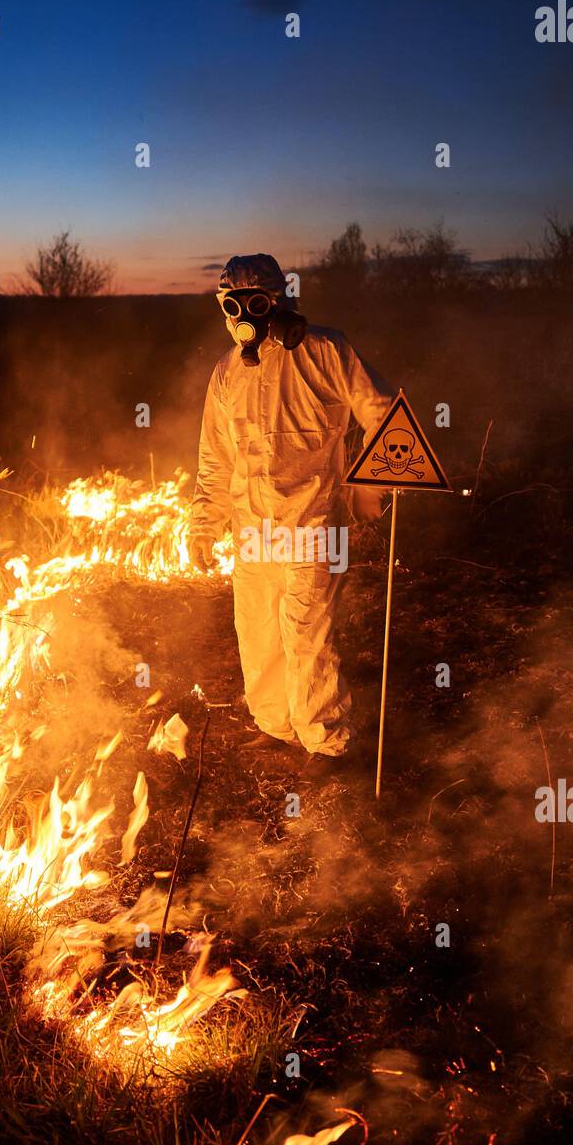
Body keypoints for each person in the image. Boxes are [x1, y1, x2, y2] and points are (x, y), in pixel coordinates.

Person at [189, 253, 394, 773]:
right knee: (258, 631)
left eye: (257, 301)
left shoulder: (326, 350)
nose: (245, 314)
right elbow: (215, 458)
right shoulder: (226, 373)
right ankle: (278, 728)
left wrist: (373, 485)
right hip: (252, 527)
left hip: (315, 522)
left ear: (281, 299)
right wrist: (204, 524)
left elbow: (382, 413)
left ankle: (326, 741)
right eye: (232, 303)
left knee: (306, 634)